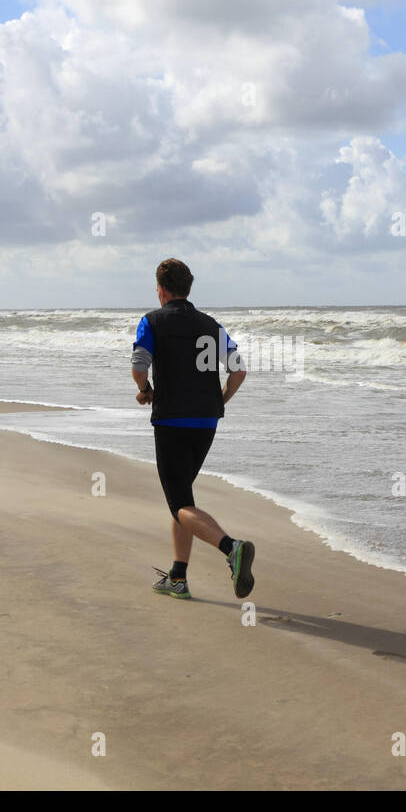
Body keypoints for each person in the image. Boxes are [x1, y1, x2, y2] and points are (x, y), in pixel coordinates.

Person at [131, 257, 254, 600]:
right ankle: (178, 577)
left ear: (161, 290)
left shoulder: (152, 322)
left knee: (178, 504)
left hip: (172, 420)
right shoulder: (211, 324)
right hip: (206, 421)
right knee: (182, 497)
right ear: (188, 288)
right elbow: (239, 370)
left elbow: (139, 366)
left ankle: (232, 548)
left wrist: (145, 391)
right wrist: (219, 402)